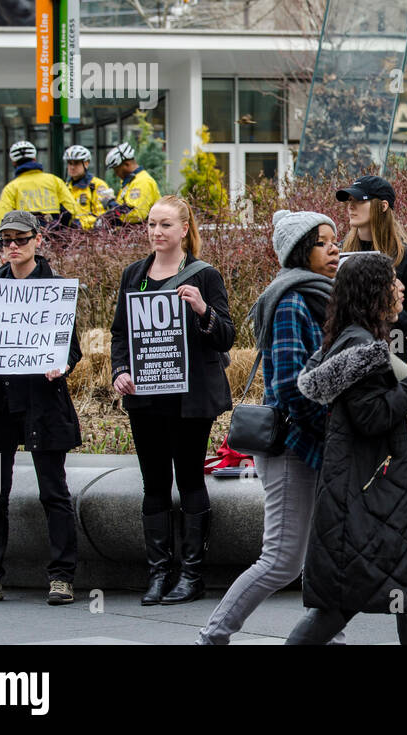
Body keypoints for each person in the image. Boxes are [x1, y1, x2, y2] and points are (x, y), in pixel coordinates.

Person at [286, 252, 407, 645]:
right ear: (373, 292)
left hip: (372, 487)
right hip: (366, 492)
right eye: (392, 281)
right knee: (341, 603)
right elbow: (372, 416)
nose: (401, 287)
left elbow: (368, 403)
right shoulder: (363, 347)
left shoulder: (354, 338)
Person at [197, 210, 340, 644]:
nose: (334, 248)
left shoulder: (324, 295)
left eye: (335, 240)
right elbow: (291, 388)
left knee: (326, 553)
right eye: (322, 242)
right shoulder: (291, 300)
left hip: (319, 441)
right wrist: (333, 425)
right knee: (280, 559)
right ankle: (213, 636)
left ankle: (330, 638)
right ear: (300, 250)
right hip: (293, 445)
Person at [0, 211, 83, 606]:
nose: (13, 246)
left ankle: (61, 576)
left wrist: (64, 365)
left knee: (53, 492)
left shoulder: (54, 289)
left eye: (21, 239)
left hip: (41, 406)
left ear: (38, 241)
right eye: (6, 239)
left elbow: (71, 348)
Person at [110, 195, 235, 605]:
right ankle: (159, 573)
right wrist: (120, 371)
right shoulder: (134, 274)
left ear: (184, 229)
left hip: (189, 400)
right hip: (147, 399)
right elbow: (119, 335)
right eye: (151, 225)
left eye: (165, 225)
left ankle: (191, 574)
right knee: (155, 484)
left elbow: (226, 336)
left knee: (190, 478)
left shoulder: (204, 275)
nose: (156, 232)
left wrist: (203, 310)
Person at [336, 174, 407, 361]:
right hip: (346, 361)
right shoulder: (341, 256)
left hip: (391, 364)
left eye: (359, 200)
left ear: (383, 206)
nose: (350, 206)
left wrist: (393, 315)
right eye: (349, 200)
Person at [0, 140, 79, 230]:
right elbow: (72, 209)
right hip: (56, 236)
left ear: (14, 163)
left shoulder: (11, 187)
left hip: (27, 238)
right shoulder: (54, 180)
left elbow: (0, 219)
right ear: (34, 159)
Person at [104, 142, 161, 226]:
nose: (116, 174)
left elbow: (137, 215)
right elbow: (124, 207)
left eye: (117, 170)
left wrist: (112, 205)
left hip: (140, 233)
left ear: (127, 164)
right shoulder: (130, 182)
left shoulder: (142, 181)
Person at [63, 145, 116, 230]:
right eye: (70, 163)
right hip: (68, 236)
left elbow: (102, 217)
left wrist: (80, 224)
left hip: (90, 236)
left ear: (86, 163)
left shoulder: (97, 185)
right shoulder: (65, 187)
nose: (72, 167)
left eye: (76, 163)